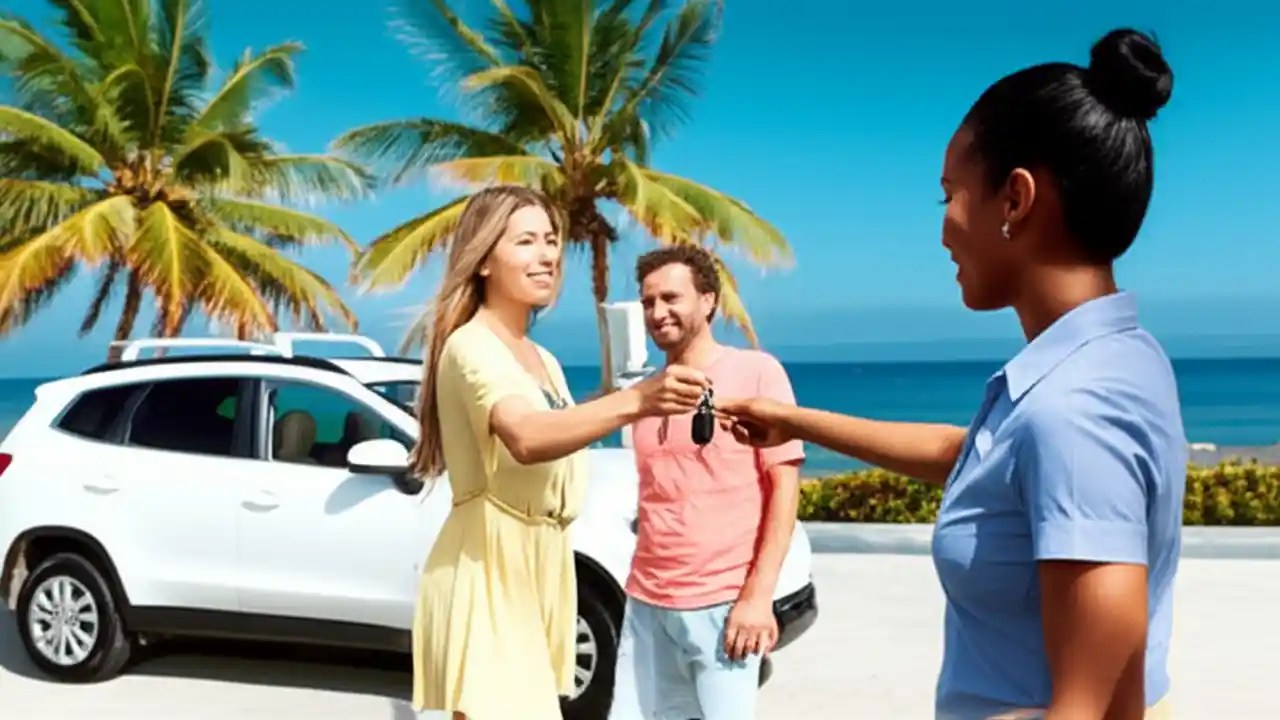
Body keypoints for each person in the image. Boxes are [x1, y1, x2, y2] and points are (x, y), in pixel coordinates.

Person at [717, 28, 1182, 720]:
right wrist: (790, 420)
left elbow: (1096, 711)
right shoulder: (1113, 359)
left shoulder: (1075, 410)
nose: (942, 229)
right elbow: (974, 462)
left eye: (950, 197)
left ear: (1016, 201)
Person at [407, 185, 712, 720]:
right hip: (489, 566)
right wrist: (637, 401)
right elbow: (526, 436)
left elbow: (557, 422)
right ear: (483, 259)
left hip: (539, 567)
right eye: (526, 241)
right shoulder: (472, 345)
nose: (547, 255)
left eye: (551, 240)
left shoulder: (539, 356)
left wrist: (633, 392)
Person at [608, 245, 805, 720]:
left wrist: (758, 598)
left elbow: (784, 493)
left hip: (721, 606)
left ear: (708, 301)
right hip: (648, 603)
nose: (658, 312)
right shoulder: (644, 396)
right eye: (649, 301)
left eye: (671, 298)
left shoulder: (756, 373)